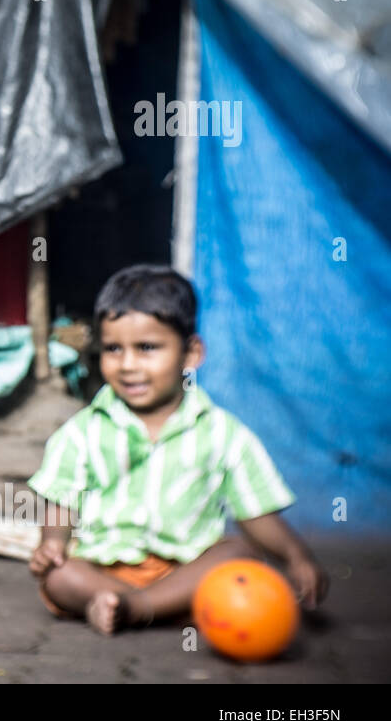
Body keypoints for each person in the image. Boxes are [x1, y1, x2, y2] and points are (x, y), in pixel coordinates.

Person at [28, 264, 328, 634]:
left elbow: (255, 511)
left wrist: (297, 556)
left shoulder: (223, 433)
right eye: (112, 349)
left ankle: (135, 607)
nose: (128, 365)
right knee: (61, 576)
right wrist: (52, 544)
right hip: (104, 568)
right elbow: (62, 497)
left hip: (186, 568)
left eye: (147, 348)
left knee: (240, 554)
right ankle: (153, 607)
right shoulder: (81, 432)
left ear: (191, 354)